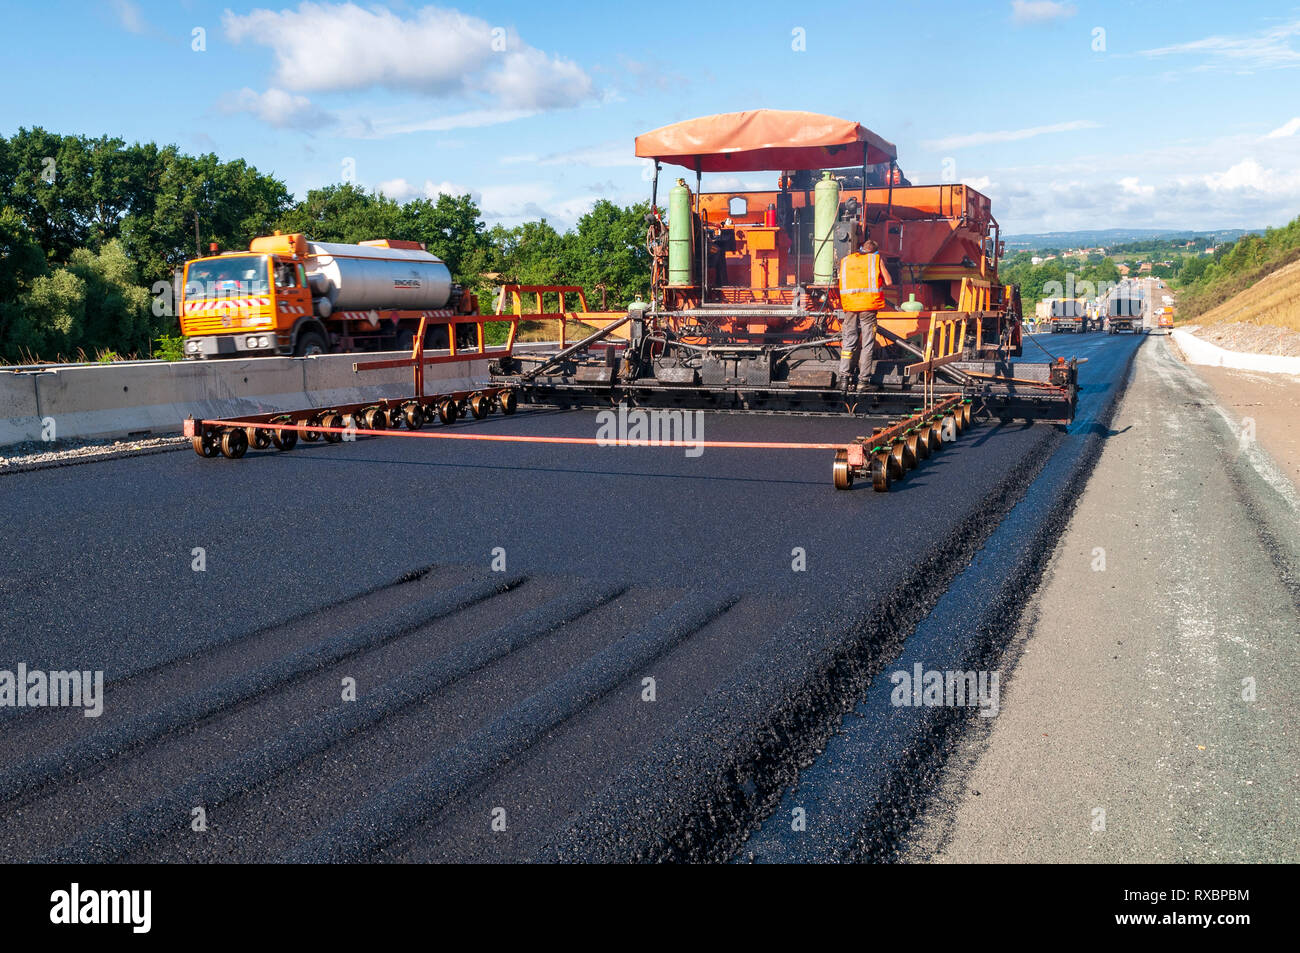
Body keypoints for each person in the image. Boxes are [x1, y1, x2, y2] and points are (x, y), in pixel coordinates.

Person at [837, 238, 891, 392]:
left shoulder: (846, 261)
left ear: (861, 248)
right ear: (874, 251)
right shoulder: (876, 259)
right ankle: (863, 381)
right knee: (867, 344)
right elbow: (888, 281)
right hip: (868, 307)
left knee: (848, 341)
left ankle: (843, 379)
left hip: (850, 307)